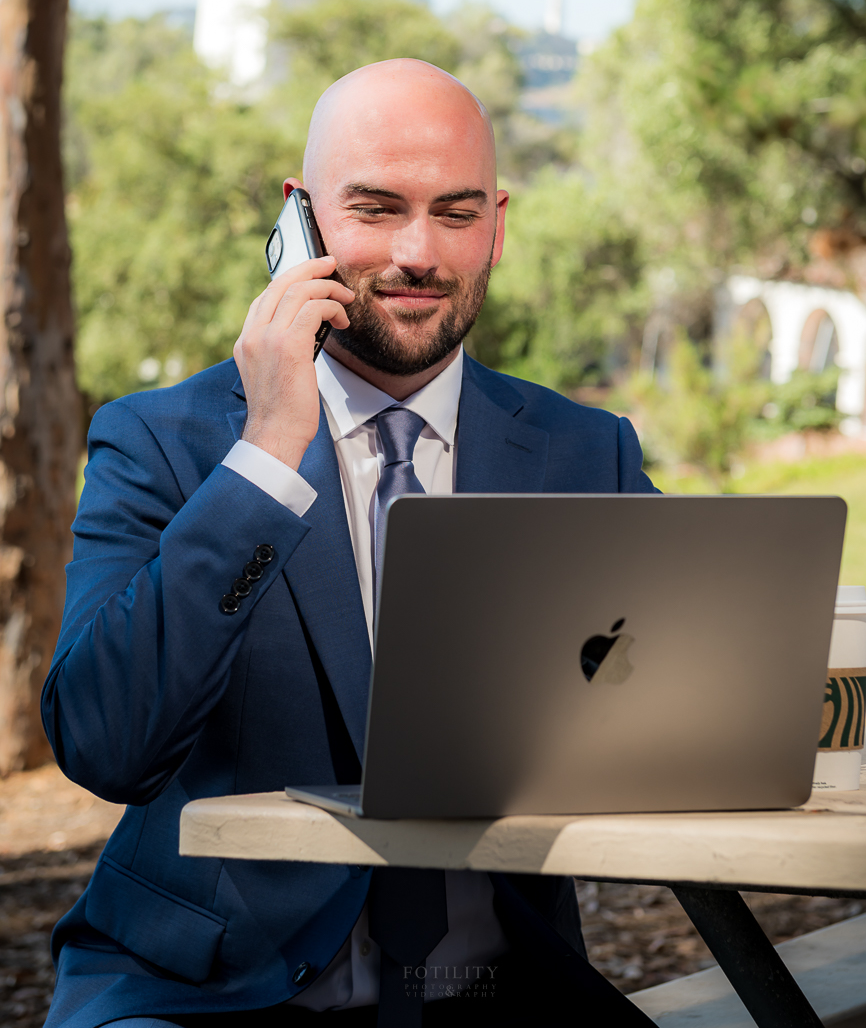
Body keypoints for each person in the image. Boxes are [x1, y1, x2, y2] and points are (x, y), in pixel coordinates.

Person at [42, 58, 658, 1028]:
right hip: (204, 995)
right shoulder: (158, 441)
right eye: (376, 208)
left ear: (497, 224)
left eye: (456, 214)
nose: (420, 252)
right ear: (300, 220)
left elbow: (672, 706)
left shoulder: (589, 453)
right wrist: (268, 454)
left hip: (498, 996)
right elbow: (103, 743)